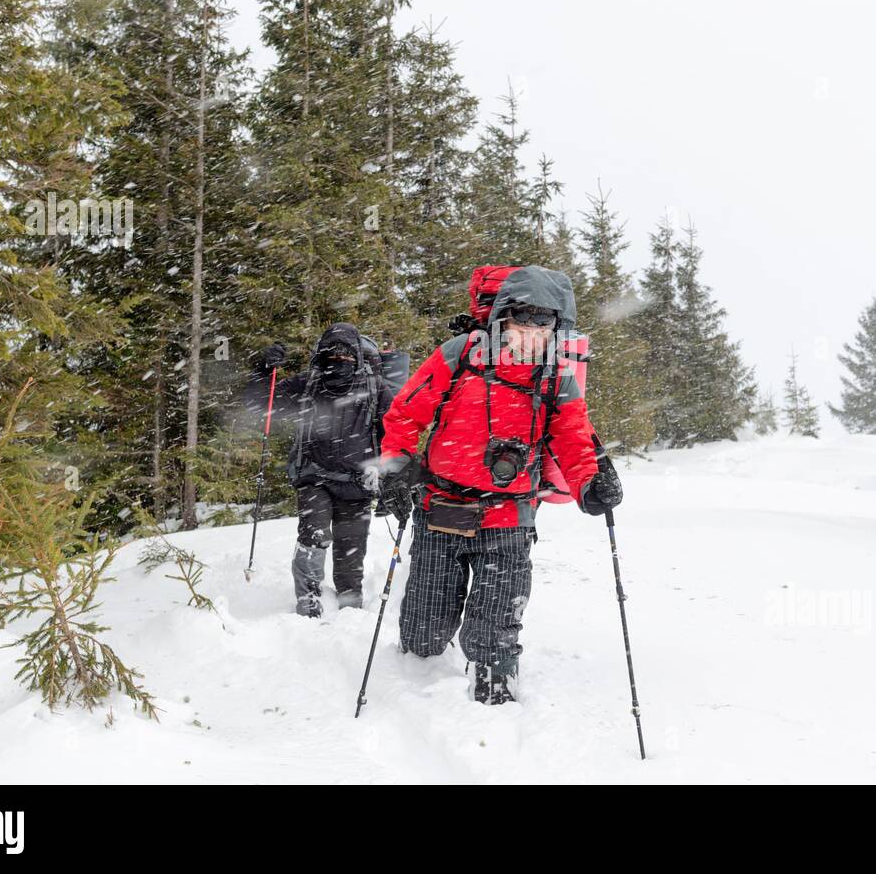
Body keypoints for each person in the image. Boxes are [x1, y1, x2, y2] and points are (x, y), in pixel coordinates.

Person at [370, 265, 623, 704]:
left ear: (556, 328)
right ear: (503, 317)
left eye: (543, 324)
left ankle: (495, 699)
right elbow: (406, 412)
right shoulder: (461, 353)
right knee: (425, 625)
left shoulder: (555, 376)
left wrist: (588, 484)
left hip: (510, 515)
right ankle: (415, 685)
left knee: (497, 624)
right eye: (523, 320)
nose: (531, 332)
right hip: (441, 508)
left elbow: (573, 437)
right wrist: (396, 464)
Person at [246, 323, 393, 617]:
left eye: (346, 356)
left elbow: (395, 434)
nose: (338, 362)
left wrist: (393, 482)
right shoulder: (308, 385)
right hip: (315, 477)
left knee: (351, 548)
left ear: (358, 358)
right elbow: (260, 403)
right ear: (320, 358)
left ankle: (351, 605)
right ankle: (308, 599)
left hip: (357, 482)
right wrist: (262, 369)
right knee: (313, 535)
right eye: (331, 356)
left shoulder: (375, 388)